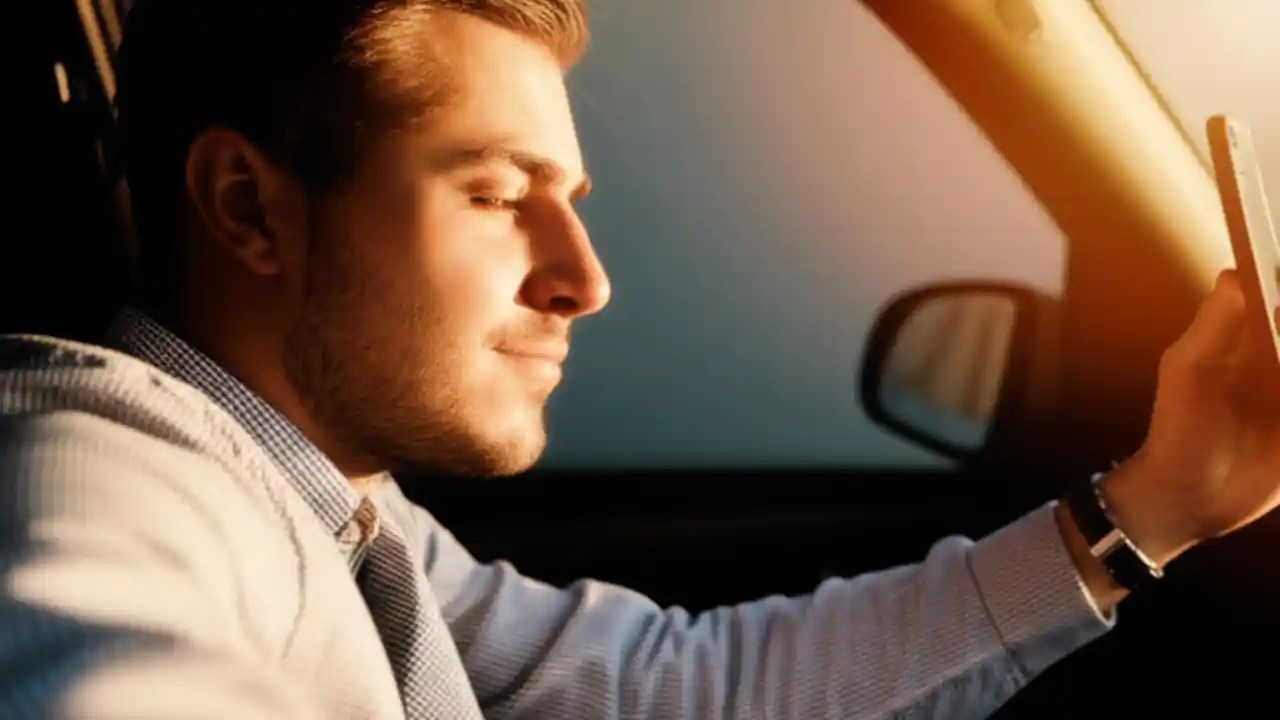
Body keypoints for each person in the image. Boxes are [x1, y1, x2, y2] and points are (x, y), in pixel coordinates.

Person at [1, 1, 1276, 718]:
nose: (584, 278)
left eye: (570, 197)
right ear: (246, 207)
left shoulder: (340, 509)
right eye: (498, 196)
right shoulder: (96, 481)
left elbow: (676, 691)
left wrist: (1152, 509)